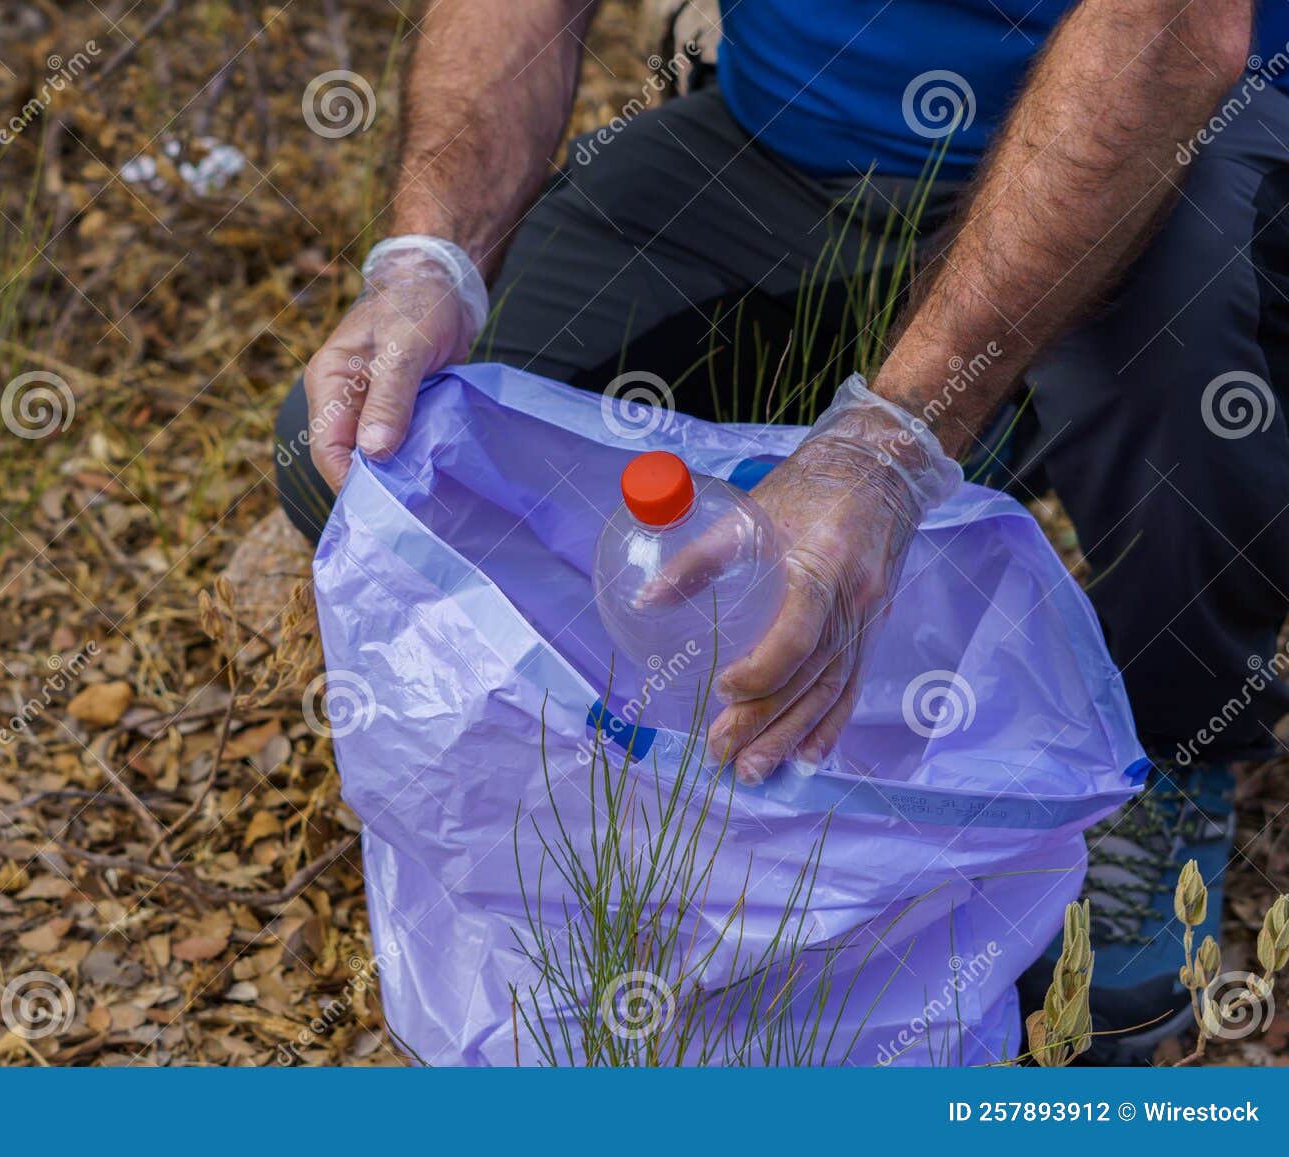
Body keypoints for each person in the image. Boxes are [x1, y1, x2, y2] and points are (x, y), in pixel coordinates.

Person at [275, 0, 1289, 1062]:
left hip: (1156, 154)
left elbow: (1171, 32)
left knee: (1206, 353)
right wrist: (428, 260)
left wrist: (884, 452)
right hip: (783, 151)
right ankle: (653, 758)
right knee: (384, 441)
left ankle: (1169, 744)